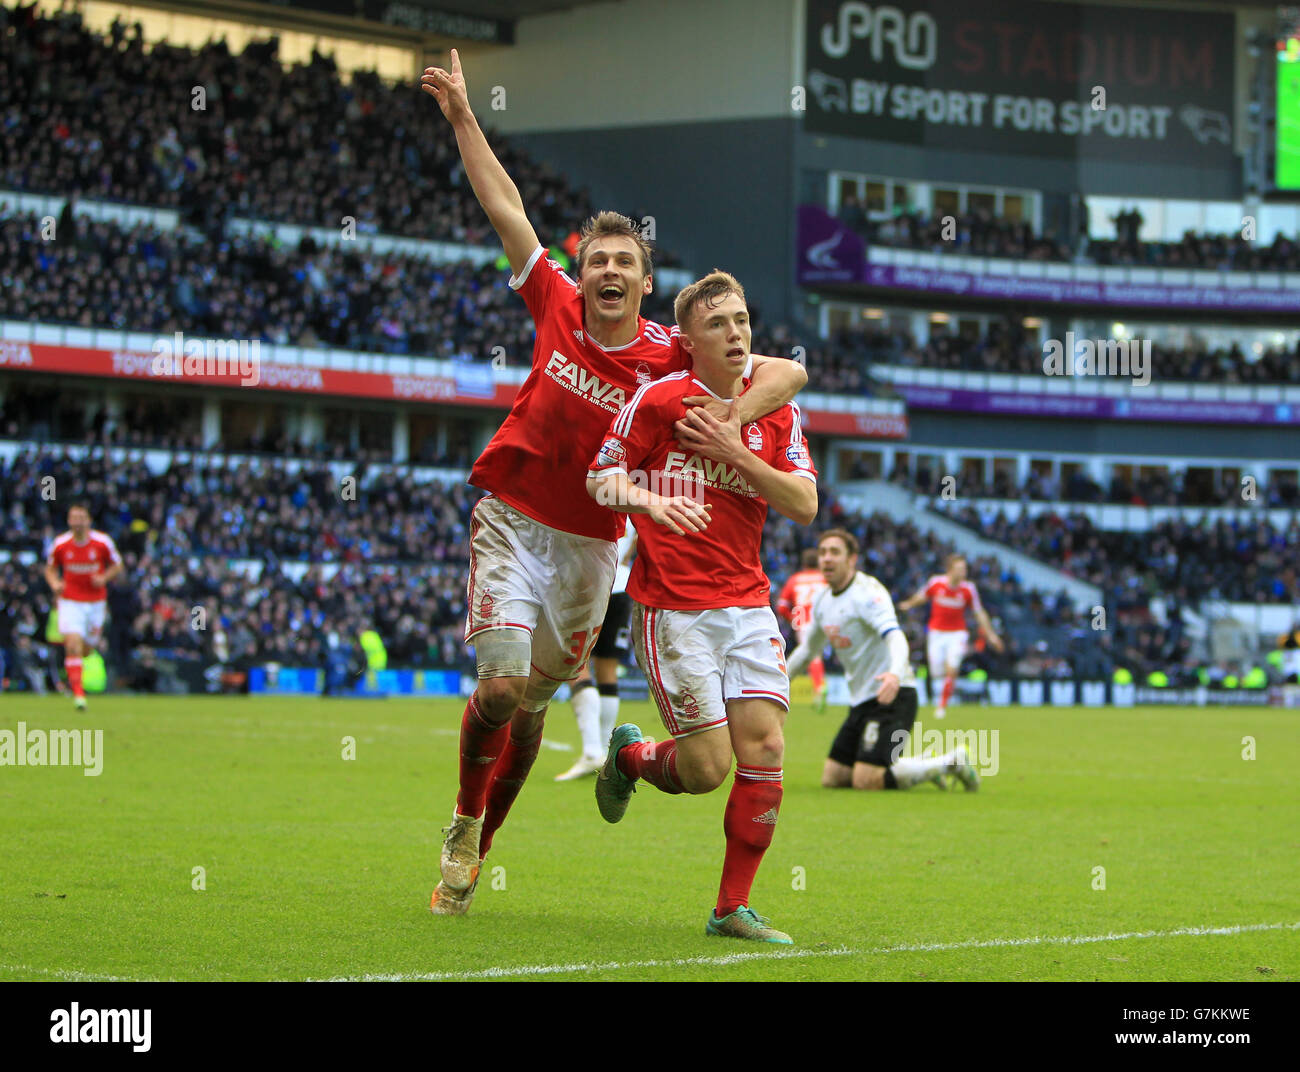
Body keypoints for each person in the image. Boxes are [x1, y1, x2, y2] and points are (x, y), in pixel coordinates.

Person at [421, 51, 807, 915]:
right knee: (499, 687)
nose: (606, 273)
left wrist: (736, 423)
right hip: (514, 519)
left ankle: (481, 849)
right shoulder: (554, 304)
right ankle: (461, 822)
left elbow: (780, 371)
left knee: (533, 709)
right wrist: (461, 117)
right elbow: (504, 208)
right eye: (595, 259)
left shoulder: (673, 358)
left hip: (595, 547)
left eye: (622, 262)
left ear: (643, 279)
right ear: (581, 268)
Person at [587, 270, 818, 944]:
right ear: (688, 340)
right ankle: (629, 759)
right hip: (673, 608)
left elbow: (803, 505)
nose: (736, 333)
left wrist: (729, 448)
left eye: (742, 320)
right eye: (718, 324)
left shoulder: (776, 406)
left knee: (767, 747)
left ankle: (731, 909)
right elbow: (602, 480)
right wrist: (651, 503)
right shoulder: (659, 401)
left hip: (747, 604)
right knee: (706, 771)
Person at [786, 531, 978, 792]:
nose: (826, 559)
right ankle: (923, 767)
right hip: (861, 701)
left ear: (852, 559)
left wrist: (895, 675)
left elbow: (896, 637)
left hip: (893, 695)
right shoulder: (821, 600)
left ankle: (950, 763)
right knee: (834, 779)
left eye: (834, 552)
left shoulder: (869, 593)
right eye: (822, 552)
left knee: (867, 780)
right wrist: (778, 682)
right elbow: (809, 649)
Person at [555, 525, 637, 781]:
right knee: (607, 669)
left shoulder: (597, 487)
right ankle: (603, 751)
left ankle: (592, 750)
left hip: (588, 582)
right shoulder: (635, 494)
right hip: (622, 585)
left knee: (576, 664)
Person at [897, 553, 1003, 719]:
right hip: (936, 633)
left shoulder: (968, 589)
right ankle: (938, 696)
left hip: (957, 633)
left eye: (965, 569)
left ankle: (942, 706)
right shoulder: (936, 583)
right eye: (960, 569)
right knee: (936, 670)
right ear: (950, 570)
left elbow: (979, 613)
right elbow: (922, 596)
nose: (963, 573)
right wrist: (908, 604)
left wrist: (991, 635)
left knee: (951, 668)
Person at [43, 504, 123, 710]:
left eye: (81, 518)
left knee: (87, 649)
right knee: (72, 645)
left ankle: (77, 681)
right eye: (74, 518)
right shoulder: (61, 544)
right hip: (70, 602)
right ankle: (79, 695)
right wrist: (55, 584)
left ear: (88, 520)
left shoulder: (102, 542)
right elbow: (50, 568)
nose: (77, 522)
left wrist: (104, 577)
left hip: (95, 603)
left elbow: (117, 564)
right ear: (69, 521)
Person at [776, 548, 828, 710]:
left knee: (811, 654)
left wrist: (793, 619)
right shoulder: (825, 579)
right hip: (823, 621)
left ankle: (817, 686)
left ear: (804, 563)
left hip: (804, 622)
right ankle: (818, 686)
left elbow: (782, 606)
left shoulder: (795, 580)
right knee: (813, 653)